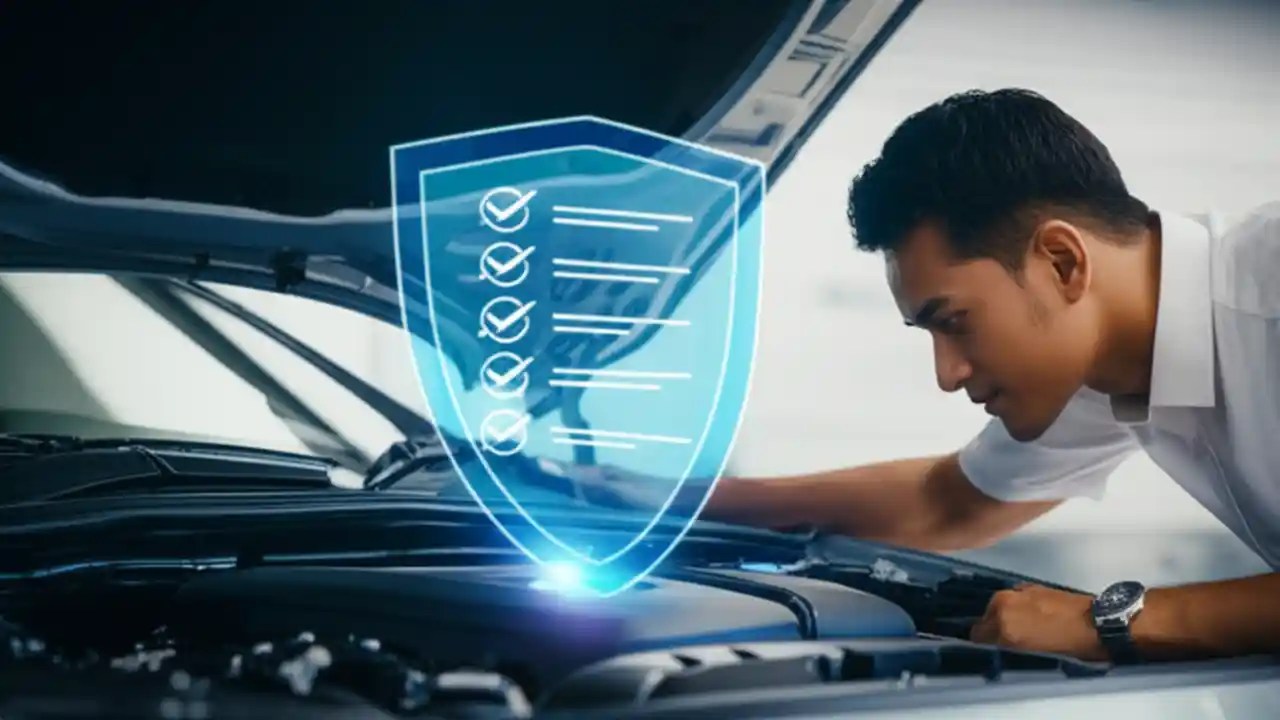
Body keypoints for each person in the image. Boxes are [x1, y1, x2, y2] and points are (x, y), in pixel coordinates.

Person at [573, 88, 1280, 664]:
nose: (948, 374)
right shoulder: (1103, 363)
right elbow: (949, 502)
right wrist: (666, 503)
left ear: (1063, 263)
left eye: (954, 321)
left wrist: (1110, 622)